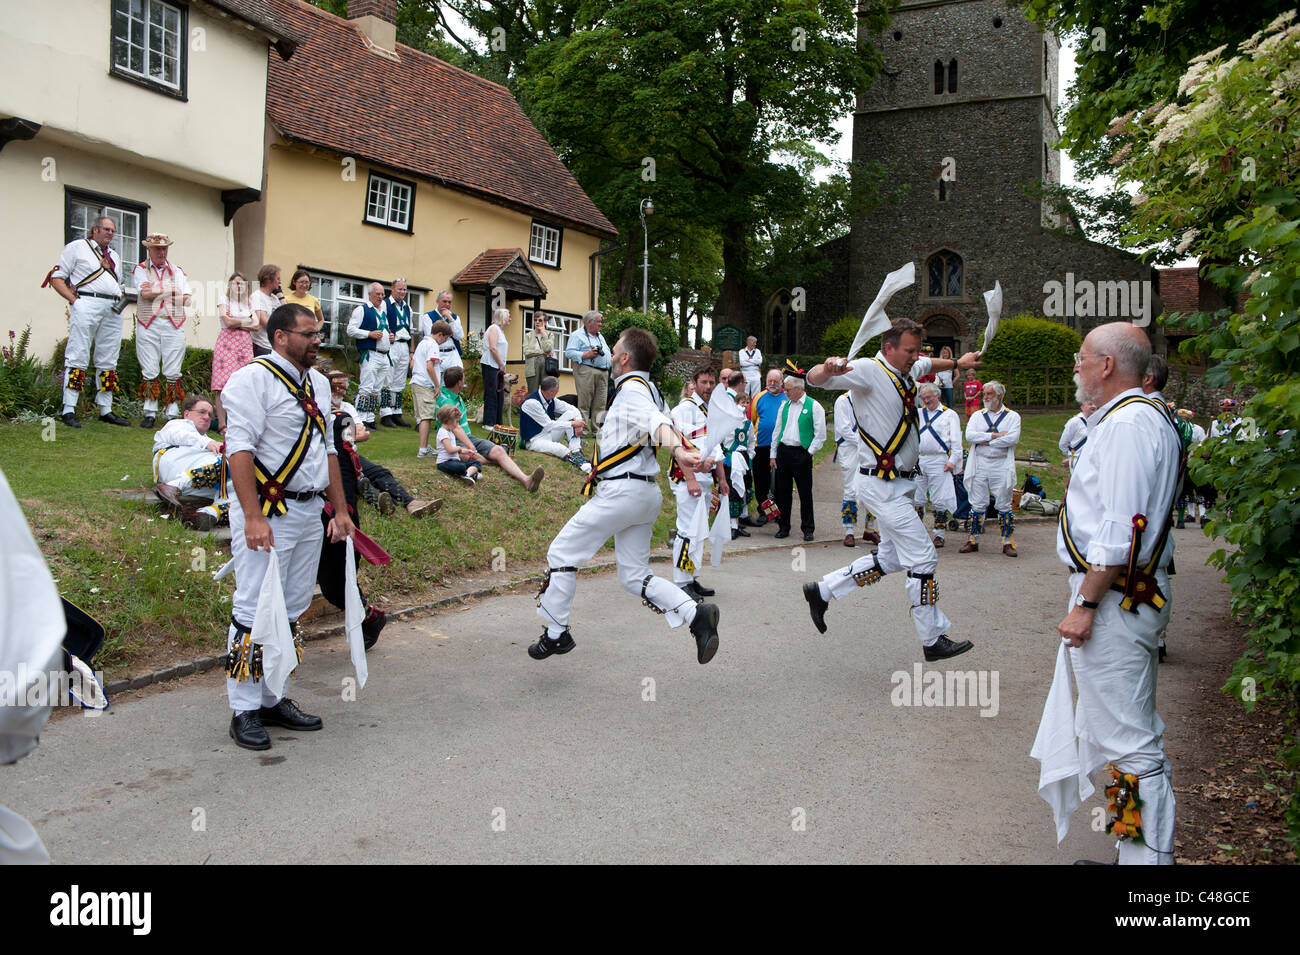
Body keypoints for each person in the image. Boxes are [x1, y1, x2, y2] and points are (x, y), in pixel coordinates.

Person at [1031, 322, 1182, 865]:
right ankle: (1130, 848)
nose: (1076, 366)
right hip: (1124, 596)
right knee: (1118, 737)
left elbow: (1119, 532)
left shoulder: (1128, 425)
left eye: (1081, 357)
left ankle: (1147, 870)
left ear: (1108, 365)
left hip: (1115, 598)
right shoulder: (1139, 419)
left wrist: (1086, 604)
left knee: (1131, 745)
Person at [532, 326, 721, 665]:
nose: (609, 355)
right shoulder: (652, 392)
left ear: (623, 358)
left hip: (621, 491)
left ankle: (556, 633)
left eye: (614, 349)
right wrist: (682, 450)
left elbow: (658, 426)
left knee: (561, 553)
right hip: (644, 494)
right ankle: (696, 615)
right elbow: (664, 425)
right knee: (634, 576)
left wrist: (678, 451)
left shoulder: (633, 390)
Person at [799, 319, 981, 662]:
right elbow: (814, 379)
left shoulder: (909, 369)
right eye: (910, 351)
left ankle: (823, 590)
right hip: (880, 485)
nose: (916, 357)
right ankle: (932, 638)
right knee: (924, 557)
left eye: (917, 350)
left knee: (891, 558)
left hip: (901, 485)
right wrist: (827, 367)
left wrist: (959, 362)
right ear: (889, 348)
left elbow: (930, 363)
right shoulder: (867, 370)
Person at [219, 303, 355, 752]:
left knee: (293, 605)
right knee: (256, 605)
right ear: (280, 336)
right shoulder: (250, 380)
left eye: (318, 332)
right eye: (308, 333)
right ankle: (244, 708)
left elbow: (329, 452)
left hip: (309, 510)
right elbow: (237, 451)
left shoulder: (316, 381)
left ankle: (272, 696)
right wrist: (253, 516)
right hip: (267, 513)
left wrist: (339, 509)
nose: (318, 340)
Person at [47, 215, 130, 428]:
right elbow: (56, 278)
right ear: (95, 230)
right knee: (78, 353)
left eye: (113, 230)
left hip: (112, 308)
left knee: (109, 358)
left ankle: (106, 408)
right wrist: (75, 301)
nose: (110, 233)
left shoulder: (114, 256)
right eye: (106, 229)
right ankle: (69, 408)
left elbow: (118, 283)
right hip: (87, 303)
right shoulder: (77, 248)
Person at [325, 370, 440, 518]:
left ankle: (411, 503)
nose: (339, 389)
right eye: (336, 385)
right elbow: (344, 437)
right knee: (356, 479)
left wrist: (347, 436)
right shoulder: (324, 408)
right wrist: (351, 435)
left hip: (352, 456)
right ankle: (380, 503)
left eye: (343, 385)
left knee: (380, 473)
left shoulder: (348, 407)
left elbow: (364, 433)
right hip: (334, 459)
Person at [670, 364, 728, 599]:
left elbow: (716, 445)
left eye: (711, 383)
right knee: (686, 529)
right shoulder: (683, 409)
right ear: (693, 383)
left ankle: (691, 578)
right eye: (703, 382)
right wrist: (691, 479)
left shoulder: (711, 409)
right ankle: (681, 581)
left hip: (705, 478)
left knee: (698, 530)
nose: (708, 387)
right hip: (686, 479)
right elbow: (678, 446)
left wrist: (721, 479)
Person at [436, 366, 544, 492]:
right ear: (459, 382)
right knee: (473, 457)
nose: (464, 380)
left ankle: (527, 480)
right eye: (463, 378)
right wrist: (471, 447)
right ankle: (495, 460)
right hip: (453, 441)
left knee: (498, 450)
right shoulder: (446, 401)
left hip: (467, 437)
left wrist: (472, 446)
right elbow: (456, 428)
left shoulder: (456, 396)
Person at [133, 232, 192, 428]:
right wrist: (171, 290)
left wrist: (161, 290)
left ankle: (172, 412)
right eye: (157, 248)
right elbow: (146, 293)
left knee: (173, 369)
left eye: (164, 248)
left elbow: (186, 298)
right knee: (149, 368)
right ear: (149, 249)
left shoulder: (178, 270)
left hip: (172, 322)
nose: (161, 252)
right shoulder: (140, 269)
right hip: (148, 322)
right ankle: (150, 412)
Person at [961, 381, 1022, 557]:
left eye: (989, 394)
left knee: (1004, 502)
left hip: (1000, 463)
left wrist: (985, 441)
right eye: (984, 394)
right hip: (980, 463)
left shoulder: (1013, 417)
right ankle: (973, 540)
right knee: (977, 503)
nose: (985, 397)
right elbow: (970, 436)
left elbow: (1012, 439)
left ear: (999, 396)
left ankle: (1007, 542)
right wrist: (994, 436)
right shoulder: (977, 416)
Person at [152, 395, 229, 531]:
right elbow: (181, 436)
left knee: (242, 484)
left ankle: (206, 514)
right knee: (228, 464)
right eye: (202, 412)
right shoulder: (178, 424)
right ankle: (173, 486)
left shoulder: (205, 438)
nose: (206, 417)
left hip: (202, 481)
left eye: (210, 415)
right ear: (186, 414)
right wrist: (207, 443)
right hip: (174, 461)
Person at [770, 369, 825, 541]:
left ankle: (808, 528)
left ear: (798, 389)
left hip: (801, 453)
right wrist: (773, 454)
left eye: (787, 389)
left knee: (804, 492)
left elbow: (820, 434)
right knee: (783, 492)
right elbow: (777, 430)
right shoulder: (784, 406)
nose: (784, 392)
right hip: (784, 451)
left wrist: (809, 452)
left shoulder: (814, 406)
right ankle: (784, 526)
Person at [915, 382, 963, 548]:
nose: (926, 401)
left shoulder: (949, 415)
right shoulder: (918, 413)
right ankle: (917, 533)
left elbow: (957, 441)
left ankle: (939, 534)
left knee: (939, 498)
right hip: (920, 459)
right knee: (917, 497)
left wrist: (952, 462)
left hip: (939, 460)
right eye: (923, 398)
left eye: (928, 397)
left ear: (937, 395)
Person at [212, 273, 257, 433]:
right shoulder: (224, 301)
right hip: (227, 343)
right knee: (222, 384)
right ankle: (222, 424)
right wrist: (246, 321)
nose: (238, 287)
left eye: (242, 284)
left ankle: (237, 422)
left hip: (244, 345)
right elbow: (227, 322)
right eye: (235, 283)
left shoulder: (249, 303)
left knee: (243, 385)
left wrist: (235, 323)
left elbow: (256, 325)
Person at [520, 375, 590, 472]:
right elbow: (549, 424)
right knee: (560, 448)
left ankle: (576, 450)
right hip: (535, 440)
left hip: (549, 434)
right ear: (551, 391)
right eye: (557, 390)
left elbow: (573, 409)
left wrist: (578, 424)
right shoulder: (532, 403)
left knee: (570, 414)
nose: (558, 392)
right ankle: (585, 467)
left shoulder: (551, 399)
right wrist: (573, 424)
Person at [346, 281, 392, 428]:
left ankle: (370, 418)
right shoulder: (362, 310)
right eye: (377, 294)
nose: (380, 297)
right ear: (370, 294)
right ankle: (360, 419)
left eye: (382, 294)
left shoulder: (382, 312)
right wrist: (369, 334)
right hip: (370, 354)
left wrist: (390, 336)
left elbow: (384, 331)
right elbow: (351, 330)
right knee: (366, 387)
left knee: (376, 389)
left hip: (384, 355)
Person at [721, 371, 755, 539]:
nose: (745, 405)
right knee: (733, 491)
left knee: (747, 490)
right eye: (742, 402)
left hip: (744, 460)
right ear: (735, 404)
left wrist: (750, 456)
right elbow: (724, 440)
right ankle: (731, 525)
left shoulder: (748, 424)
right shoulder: (729, 421)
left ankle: (740, 520)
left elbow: (750, 442)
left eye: (747, 402)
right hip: (731, 460)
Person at [749, 368, 786, 521]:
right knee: (760, 480)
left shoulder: (787, 398)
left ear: (781, 382)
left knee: (780, 481)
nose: (771, 384)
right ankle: (764, 511)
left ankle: (778, 511)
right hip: (761, 446)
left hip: (781, 446)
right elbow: (750, 420)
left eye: (775, 381)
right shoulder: (758, 397)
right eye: (769, 381)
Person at [566, 309, 612, 428]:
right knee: (584, 402)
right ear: (589, 322)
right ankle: (583, 429)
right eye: (598, 322)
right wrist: (585, 355)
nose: (600, 324)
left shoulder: (600, 336)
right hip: (586, 370)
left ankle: (597, 429)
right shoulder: (577, 335)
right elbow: (569, 353)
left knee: (600, 403)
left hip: (603, 372)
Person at [833, 392, 869, 547]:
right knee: (850, 488)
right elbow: (844, 428)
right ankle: (849, 531)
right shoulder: (842, 400)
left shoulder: (868, 398)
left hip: (869, 448)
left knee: (871, 486)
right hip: (849, 448)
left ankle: (871, 529)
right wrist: (863, 444)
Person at [380, 279, 415, 428]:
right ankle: (385, 413)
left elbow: (411, 330)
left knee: (400, 380)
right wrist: (386, 335)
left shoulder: (408, 308)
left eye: (404, 290)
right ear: (392, 289)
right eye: (399, 289)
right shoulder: (385, 304)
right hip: (391, 345)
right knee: (388, 378)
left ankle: (396, 412)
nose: (402, 292)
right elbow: (380, 323)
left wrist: (411, 351)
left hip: (403, 345)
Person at [411, 321, 443, 458]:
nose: (444, 342)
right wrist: (437, 385)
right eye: (445, 338)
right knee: (426, 417)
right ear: (440, 334)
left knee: (423, 417)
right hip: (425, 384)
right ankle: (423, 449)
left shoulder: (422, 343)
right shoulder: (433, 344)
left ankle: (424, 446)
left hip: (416, 382)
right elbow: (430, 366)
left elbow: (413, 364)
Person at [435, 404, 482, 484]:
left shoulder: (450, 432)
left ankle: (467, 475)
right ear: (449, 420)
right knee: (461, 466)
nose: (457, 425)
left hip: (454, 461)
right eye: (456, 422)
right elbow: (450, 450)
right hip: (444, 463)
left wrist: (467, 451)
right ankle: (469, 474)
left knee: (477, 462)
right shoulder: (443, 432)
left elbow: (456, 450)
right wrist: (459, 448)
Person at [480, 307, 511, 428]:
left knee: (499, 394)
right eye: (508, 315)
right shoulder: (493, 328)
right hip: (491, 365)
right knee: (491, 393)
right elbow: (493, 348)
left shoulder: (500, 330)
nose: (510, 318)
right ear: (502, 316)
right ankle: (488, 422)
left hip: (497, 366)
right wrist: (501, 364)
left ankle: (497, 422)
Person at [249, 264, 281, 358]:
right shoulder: (257, 296)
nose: (280, 281)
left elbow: (285, 318)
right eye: (278, 278)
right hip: (261, 346)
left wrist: (281, 296)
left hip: (274, 347)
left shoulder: (275, 299)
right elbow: (264, 320)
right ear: (268, 279)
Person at [420, 289, 464, 355]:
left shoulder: (455, 317)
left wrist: (449, 317)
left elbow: (459, 336)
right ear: (437, 301)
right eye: (444, 301)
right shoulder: (428, 316)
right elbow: (431, 338)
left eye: (449, 302)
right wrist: (450, 333)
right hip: (437, 352)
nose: (447, 304)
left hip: (453, 353)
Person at [523, 311, 556, 394]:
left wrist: (543, 334)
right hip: (532, 368)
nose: (537, 322)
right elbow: (526, 352)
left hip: (546, 367)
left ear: (545, 322)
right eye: (535, 320)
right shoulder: (528, 335)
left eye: (540, 320)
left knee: (546, 392)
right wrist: (542, 352)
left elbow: (548, 348)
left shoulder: (549, 335)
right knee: (533, 393)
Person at [1058, 401, 1095, 470]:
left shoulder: (1097, 421)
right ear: (1082, 407)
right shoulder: (1074, 422)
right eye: (1090, 404)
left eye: (1095, 404)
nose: (1094, 406)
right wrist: (1072, 456)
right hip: (1077, 462)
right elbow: (1063, 444)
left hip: (1092, 461)